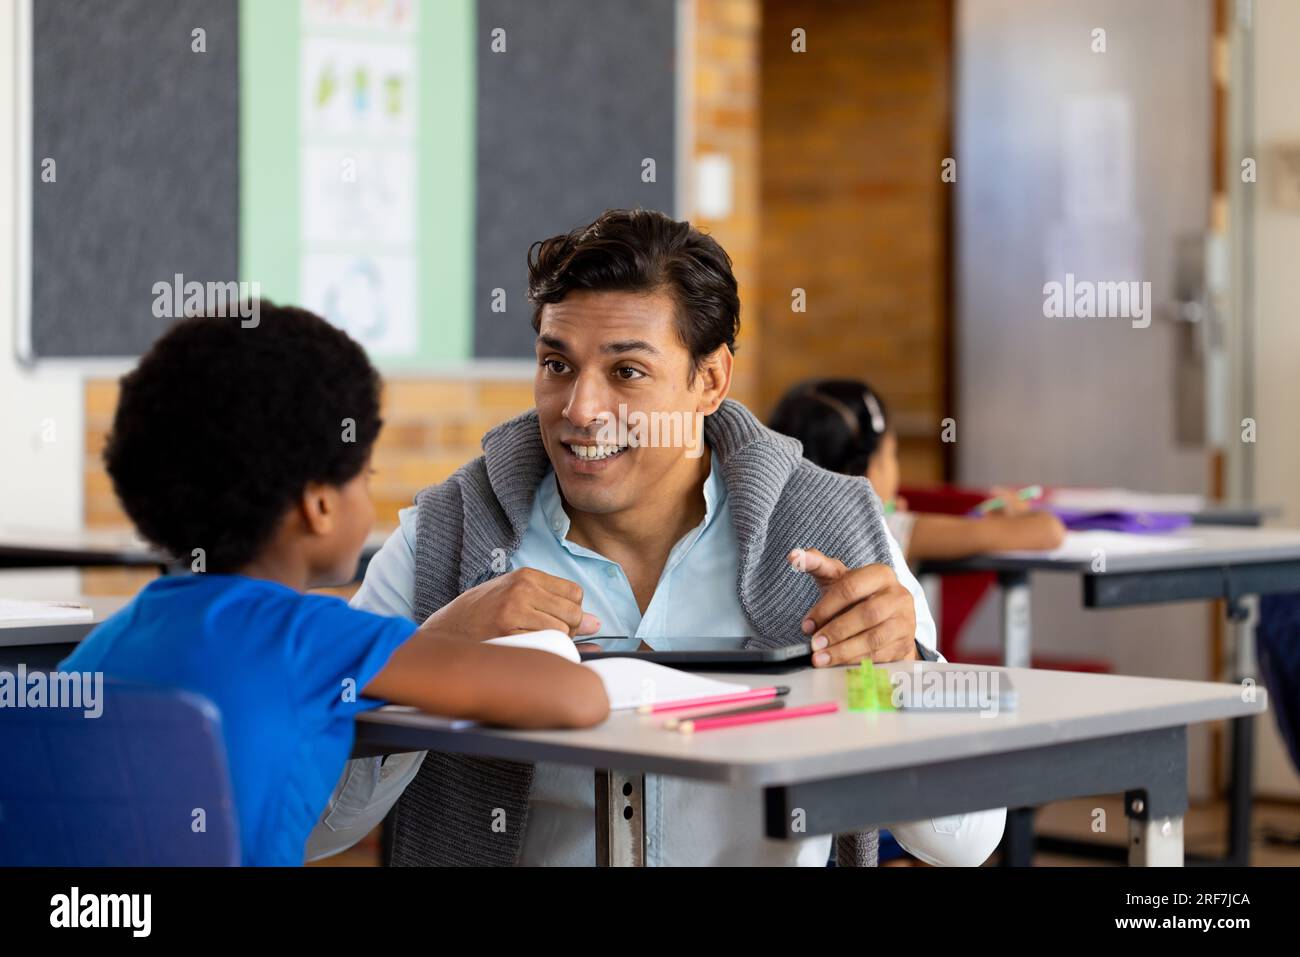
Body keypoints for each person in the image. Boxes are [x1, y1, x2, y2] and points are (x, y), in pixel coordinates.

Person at [311, 209, 1005, 867]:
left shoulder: (836, 524)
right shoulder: (447, 534)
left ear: (710, 380)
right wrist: (429, 658)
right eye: (557, 364)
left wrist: (904, 672)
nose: (580, 409)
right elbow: (313, 824)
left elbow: (966, 841)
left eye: (627, 371)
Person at [61, 304, 608, 866]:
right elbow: (578, 696)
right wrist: (460, 632)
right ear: (319, 506)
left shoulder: (103, 647)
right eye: (363, 477)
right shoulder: (315, 639)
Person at [770, 379, 1065, 562]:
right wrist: (1019, 511)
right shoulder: (885, 529)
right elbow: (1048, 532)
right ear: (871, 470)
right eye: (892, 454)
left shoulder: (768, 524)